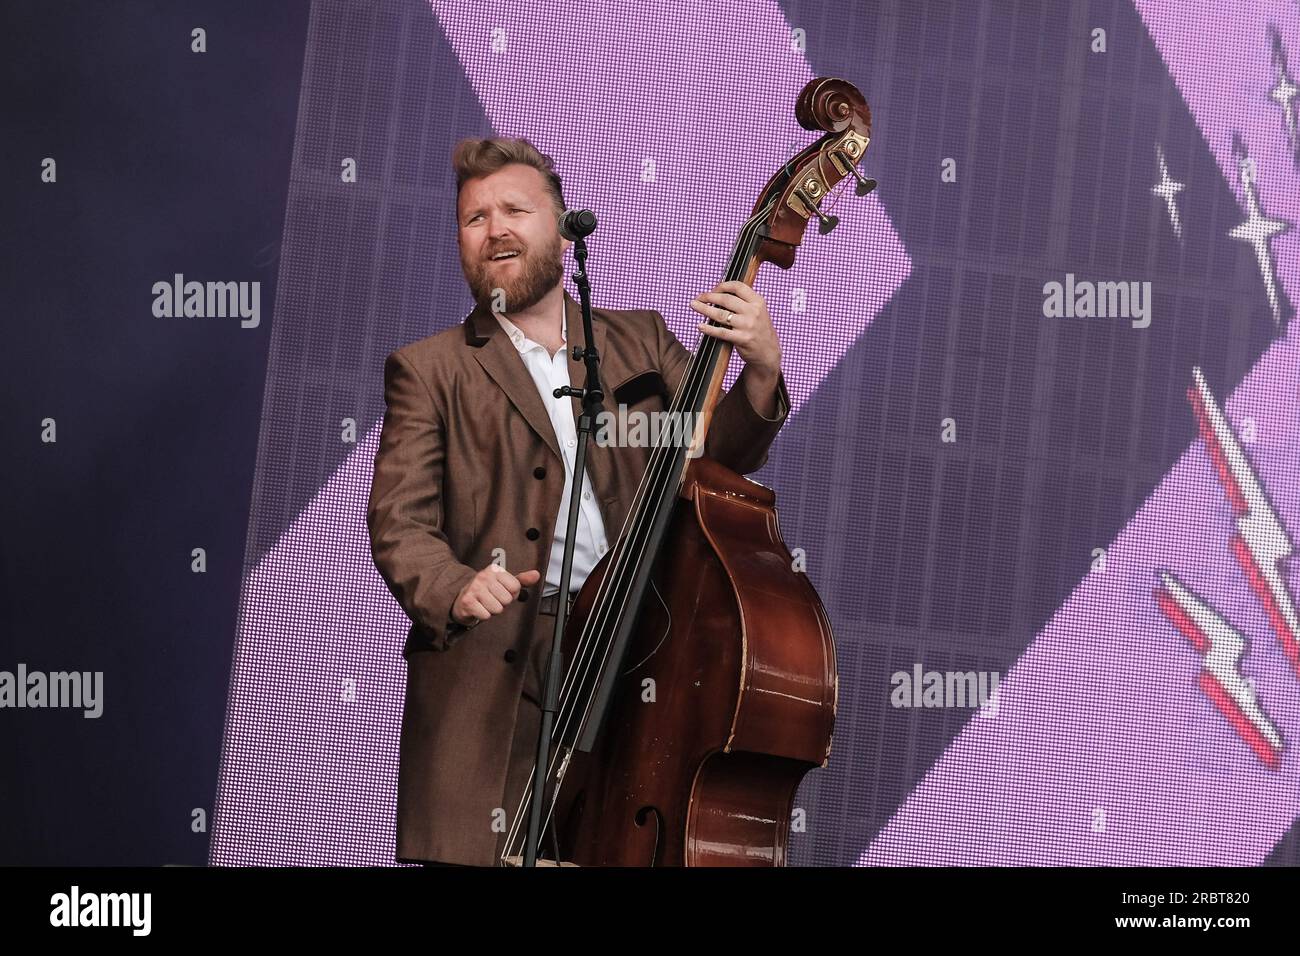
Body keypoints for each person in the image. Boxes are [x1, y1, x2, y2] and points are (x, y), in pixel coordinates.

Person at [366, 136, 792, 866]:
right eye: (474, 218)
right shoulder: (428, 370)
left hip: (633, 657)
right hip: (497, 676)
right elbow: (398, 522)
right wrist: (455, 584)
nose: (495, 227)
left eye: (515, 209)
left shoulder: (642, 340)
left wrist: (762, 363)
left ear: (562, 228)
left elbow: (719, 453)